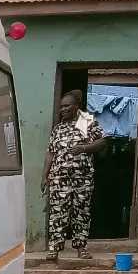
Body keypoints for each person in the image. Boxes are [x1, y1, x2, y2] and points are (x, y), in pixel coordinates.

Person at [42, 90, 107, 259]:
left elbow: (103, 140)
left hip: (82, 178)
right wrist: (45, 176)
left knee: (82, 212)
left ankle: (81, 248)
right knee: (57, 213)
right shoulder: (58, 128)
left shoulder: (86, 122)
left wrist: (84, 148)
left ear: (76, 106)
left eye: (66, 106)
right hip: (59, 179)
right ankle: (54, 249)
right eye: (61, 107)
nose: (63, 109)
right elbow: (51, 153)